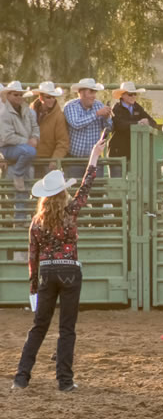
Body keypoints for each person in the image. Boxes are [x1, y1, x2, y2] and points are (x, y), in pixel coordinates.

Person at [11, 135, 106, 391]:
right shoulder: (70, 210)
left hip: (46, 273)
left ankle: (21, 377)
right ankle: (64, 381)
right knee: (67, 329)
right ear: (63, 191)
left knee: (39, 327)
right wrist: (94, 156)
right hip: (70, 271)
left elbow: (33, 256)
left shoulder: (36, 222)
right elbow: (86, 185)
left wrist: (33, 288)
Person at [63, 78, 113, 179]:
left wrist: (107, 118)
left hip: (95, 159)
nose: (94, 95)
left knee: (97, 191)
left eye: (94, 92)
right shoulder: (70, 106)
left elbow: (109, 128)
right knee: (73, 191)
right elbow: (76, 123)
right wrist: (97, 114)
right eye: (91, 92)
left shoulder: (99, 105)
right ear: (81, 93)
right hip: (74, 160)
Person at [108, 82, 157, 177]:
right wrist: (137, 123)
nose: (133, 96)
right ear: (123, 96)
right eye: (130, 94)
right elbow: (120, 125)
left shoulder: (137, 107)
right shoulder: (116, 109)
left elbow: (153, 123)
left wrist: (147, 122)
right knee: (118, 184)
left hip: (133, 153)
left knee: (135, 183)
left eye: (135, 94)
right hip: (118, 152)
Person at [0, 81, 39, 193]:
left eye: (20, 95)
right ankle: (18, 175)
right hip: (6, 148)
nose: (18, 97)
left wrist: (35, 138)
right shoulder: (3, 112)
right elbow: (7, 137)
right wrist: (27, 142)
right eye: (15, 94)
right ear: (8, 95)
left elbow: (35, 126)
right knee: (30, 152)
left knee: (24, 191)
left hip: (21, 149)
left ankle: (19, 175)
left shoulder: (27, 111)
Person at [29, 81, 69, 178]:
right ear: (41, 97)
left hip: (48, 161)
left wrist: (55, 159)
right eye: (48, 97)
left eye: (53, 97)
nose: (51, 99)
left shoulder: (59, 117)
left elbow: (63, 142)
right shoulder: (29, 112)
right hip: (30, 158)